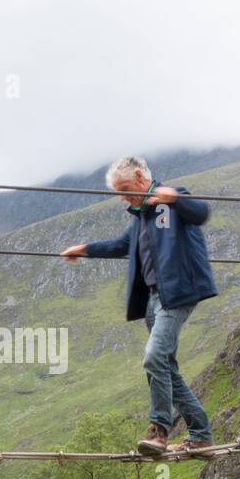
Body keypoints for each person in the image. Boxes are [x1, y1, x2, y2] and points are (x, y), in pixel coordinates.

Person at [61, 155, 217, 457]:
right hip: (153, 301)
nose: (123, 196)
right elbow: (121, 246)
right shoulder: (141, 219)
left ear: (141, 177)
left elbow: (200, 212)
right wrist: (85, 249)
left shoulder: (170, 201)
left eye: (126, 188)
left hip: (177, 295)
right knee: (166, 369)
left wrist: (172, 198)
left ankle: (159, 430)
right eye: (119, 191)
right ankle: (200, 435)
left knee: (154, 357)